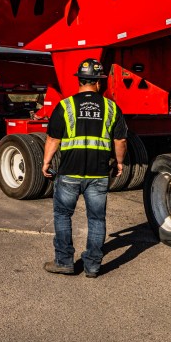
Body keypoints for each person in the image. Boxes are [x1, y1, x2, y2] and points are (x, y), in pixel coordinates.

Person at [42, 59, 128, 277]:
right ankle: (92, 266)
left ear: (79, 81)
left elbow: (53, 139)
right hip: (98, 174)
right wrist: (119, 162)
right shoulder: (111, 107)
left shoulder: (65, 106)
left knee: (62, 215)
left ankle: (64, 262)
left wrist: (46, 163)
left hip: (69, 173)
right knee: (96, 219)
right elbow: (121, 141)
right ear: (99, 83)